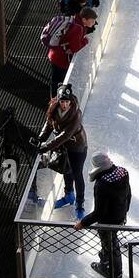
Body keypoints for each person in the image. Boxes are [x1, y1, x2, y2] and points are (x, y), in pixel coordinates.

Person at [75, 152, 132, 278]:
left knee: (112, 247)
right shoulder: (123, 172)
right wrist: (124, 211)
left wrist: (82, 223)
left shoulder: (102, 184)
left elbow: (99, 212)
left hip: (107, 222)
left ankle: (116, 276)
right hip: (120, 216)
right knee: (108, 244)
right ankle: (105, 263)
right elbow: (128, 194)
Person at [39, 83, 89, 217]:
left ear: (70, 100)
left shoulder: (76, 113)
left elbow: (66, 134)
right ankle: (69, 195)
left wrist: (47, 146)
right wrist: (40, 138)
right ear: (58, 100)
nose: (65, 104)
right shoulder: (54, 109)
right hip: (63, 146)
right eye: (62, 101)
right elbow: (49, 124)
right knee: (66, 169)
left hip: (77, 147)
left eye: (67, 101)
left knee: (77, 173)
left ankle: (79, 203)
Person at [45, 5, 97, 98]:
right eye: (92, 21)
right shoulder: (79, 28)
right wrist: (85, 41)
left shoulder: (75, 20)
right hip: (60, 58)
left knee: (56, 80)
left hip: (55, 53)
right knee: (58, 81)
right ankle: (55, 101)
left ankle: (55, 100)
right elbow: (75, 47)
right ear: (84, 19)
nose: (93, 23)